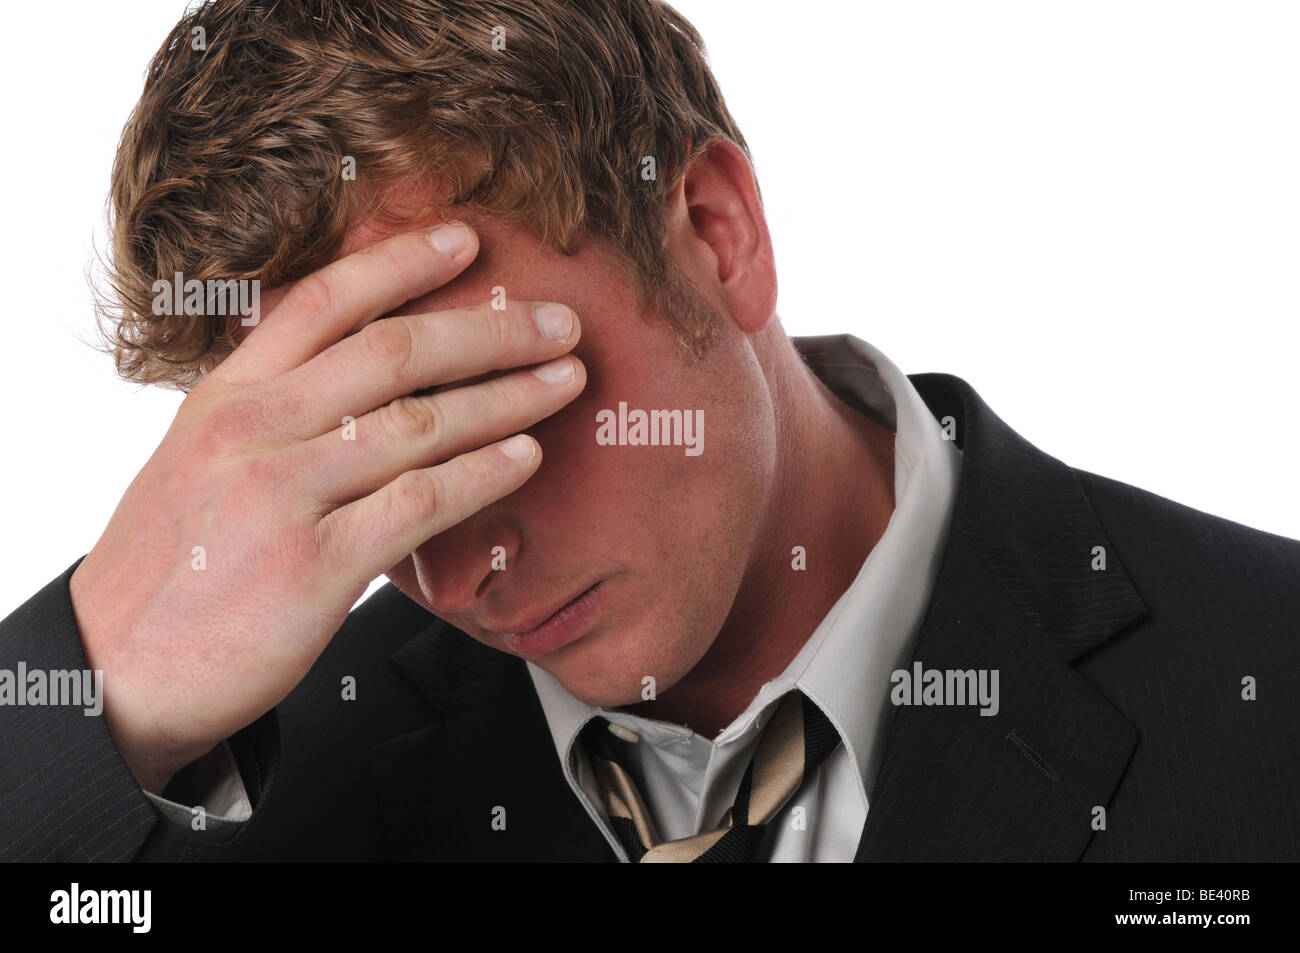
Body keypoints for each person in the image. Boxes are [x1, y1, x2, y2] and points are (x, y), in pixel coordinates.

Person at [2, 0, 1297, 863]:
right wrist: (79, 682)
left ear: (716, 232)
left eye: (477, 401)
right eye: (364, 452)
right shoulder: (254, 790)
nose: (451, 577)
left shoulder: (1266, 688)